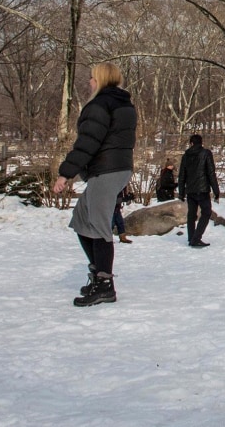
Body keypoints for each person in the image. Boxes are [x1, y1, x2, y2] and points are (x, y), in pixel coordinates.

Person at [51, 62, 137, 307]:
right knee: (81, 219)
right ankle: (97, 272)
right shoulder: (123, 104)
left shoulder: (99, 105)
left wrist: (65, 174)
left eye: (91, 78)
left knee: (98, 227)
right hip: (116, 168)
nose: (89, 82)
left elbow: (88, 143)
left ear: (100, 80)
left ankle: (104, 284)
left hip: (106, 170)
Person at [178, 134, 220, 248]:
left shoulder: (186, 156)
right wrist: (216, 191)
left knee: (191, 214)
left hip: (190, 190)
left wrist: (181, 192)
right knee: (206, 212)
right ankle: (196, 238)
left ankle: (191, 237)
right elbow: (211, 173)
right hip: (203, 189)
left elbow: (182, 175)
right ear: (201, 143)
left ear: (191, 143)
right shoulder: (206, 153)